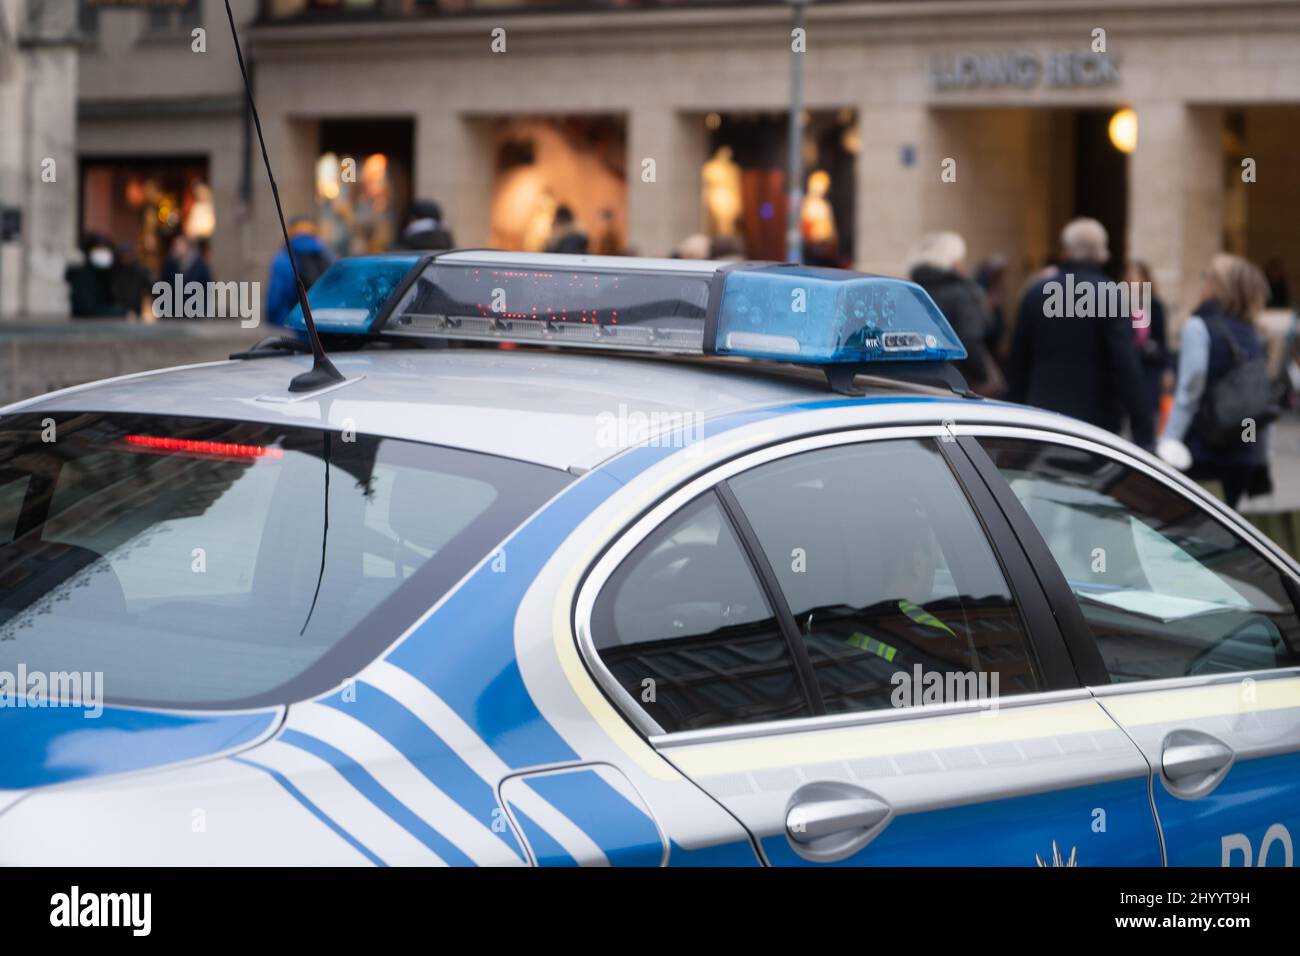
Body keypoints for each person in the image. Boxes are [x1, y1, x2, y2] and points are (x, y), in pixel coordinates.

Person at [1006, 218, 1154, 448]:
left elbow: (1018, 363)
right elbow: (1126, 365)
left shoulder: (1035, 293)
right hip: (1095, 425)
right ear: (1102, 253)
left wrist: (1011, 419)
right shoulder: (1109, 295)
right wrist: (1144, 432)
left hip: (1042, 418)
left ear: (1066, 251)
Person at [1160, 254, 1274, 508]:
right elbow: (1260, 402)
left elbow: (1190, 390)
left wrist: (1169, 441)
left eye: (1206, 277)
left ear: (1217, 285)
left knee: (1188, 533)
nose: (1203, 284)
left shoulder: (1199, 326)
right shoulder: (1254, 332)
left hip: (1202, 452)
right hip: (1243, 454)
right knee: (1222, 536)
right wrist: (1260, 454)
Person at [908, 232, 1001, 395]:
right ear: (953, 260)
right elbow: (970, 340)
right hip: (956, 383)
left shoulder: (912, 291)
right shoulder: (961, 294)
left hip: (915, 381)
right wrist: (982, 376)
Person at [1125, 259, 1170, 424]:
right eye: (1129, 275)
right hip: (1129, 367)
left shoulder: (1154, 306)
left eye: (1136, 275)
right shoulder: (1120, 303)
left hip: (1148, 368)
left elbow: (1161, 342)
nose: (1131, 279)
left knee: (1147, 416)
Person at [266, 216, 332, 328]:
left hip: (291, 326)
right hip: (322, 327)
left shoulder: (283, 260)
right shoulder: (329, 258)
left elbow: (274, 302)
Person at [65, 233, 126, 319]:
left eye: (106, 249)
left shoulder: (107, 274)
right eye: (99, 249)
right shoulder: (83, 276)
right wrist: (121, 312)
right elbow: (87, 309)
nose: (103, 253)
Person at [157, 233, 213, 319]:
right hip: (173, 315)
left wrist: (203, 309)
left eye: (179, 245)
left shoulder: (200, 266)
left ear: (187, 247)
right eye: (175, 245)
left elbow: (209, 288)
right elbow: (162, 287)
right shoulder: (170, 266)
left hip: (194, 314)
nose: (176, 248)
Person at [111, 242, 153, 319]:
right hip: (116, 313)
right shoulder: (113, 271)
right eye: (124, 255)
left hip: (136, 312)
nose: (126, 258)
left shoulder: (140, 271)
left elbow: (152, 288)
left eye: (129, 255)